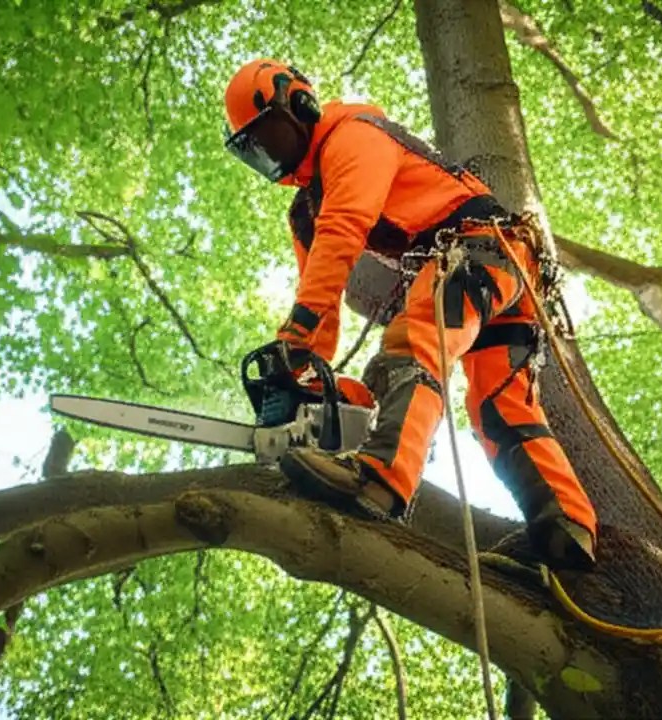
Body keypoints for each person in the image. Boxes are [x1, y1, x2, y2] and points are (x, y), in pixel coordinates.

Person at [222, 59, 597, 571]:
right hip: (502, 270)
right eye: (258, 152)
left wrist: (296, 337)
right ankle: (564, 530)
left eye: (274, 138)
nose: (273, 156)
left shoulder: (352, 135)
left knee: (411, 344)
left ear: (301, 105)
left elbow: (345, 230)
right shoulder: (306, 211)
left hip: (481, 252)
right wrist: (309, 375)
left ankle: (382, 479)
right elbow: (319, 288)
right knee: (498, 404)